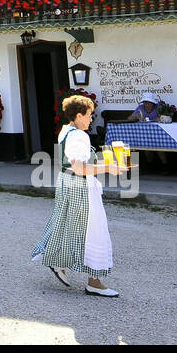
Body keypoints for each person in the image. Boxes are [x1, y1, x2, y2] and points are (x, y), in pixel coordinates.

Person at [30, 95, 121, 297]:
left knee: (67, 224)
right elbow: (79, 167)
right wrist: (108, 167)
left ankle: (58, 262)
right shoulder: (79, 135)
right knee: (94, 230)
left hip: (66, 181)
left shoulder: (66, 130)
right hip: (79, 185)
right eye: (89, 115)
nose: (91, 119)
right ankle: (93, 281)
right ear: (79, 116)